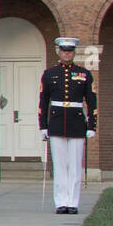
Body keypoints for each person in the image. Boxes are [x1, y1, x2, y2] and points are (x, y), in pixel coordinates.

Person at [38, 37, 96, 215]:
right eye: (64, 50)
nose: (67, 53)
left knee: (75, 165)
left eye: (70, 51)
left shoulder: (84, 74)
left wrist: (91, 126)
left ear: (74, 52)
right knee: (60, 165)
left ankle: (73, 202)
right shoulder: (49, 74)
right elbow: (43, 100)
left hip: (77, 121)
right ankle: (61, 202)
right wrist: (43, 125)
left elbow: (92, 101)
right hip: (56, 121)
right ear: (58, 51)